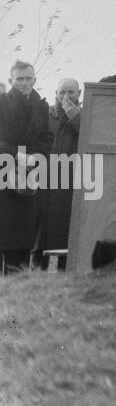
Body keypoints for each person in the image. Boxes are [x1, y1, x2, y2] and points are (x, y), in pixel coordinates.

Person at [0, 61, 51, 273]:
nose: (24, 83)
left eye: (28, 78)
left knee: (20, 244)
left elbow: (47, 137)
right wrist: (20, 156)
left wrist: (36, 158)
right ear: (11, 80)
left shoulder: (41, 106)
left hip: (27, 179)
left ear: (34, 80)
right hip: (3, 172)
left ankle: (16, 295)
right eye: (19, 79)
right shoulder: (1, 102)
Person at [35, 78, 81, 266]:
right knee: (41, 234)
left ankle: (65, 273)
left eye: (71, 92)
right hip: (45, 182)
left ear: (79, 94)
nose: (66, 96)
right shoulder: (47, 115)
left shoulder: (84, 116)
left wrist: (75, 115)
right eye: (62, 92)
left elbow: (89, 134)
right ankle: (37, 275)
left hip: (71, 183)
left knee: (65, 232)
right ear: (55, 94)